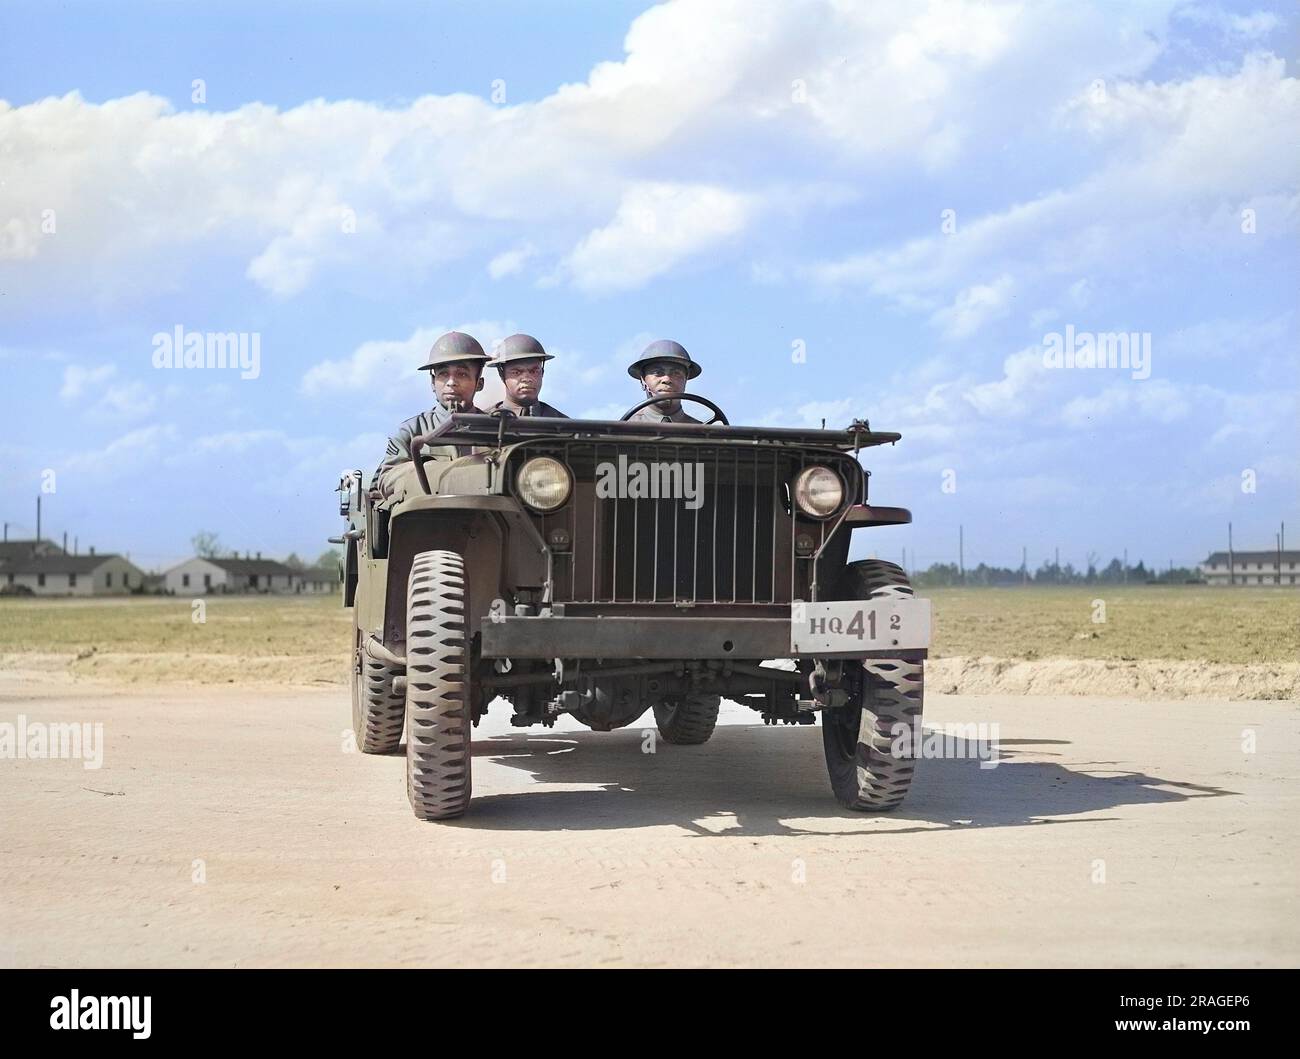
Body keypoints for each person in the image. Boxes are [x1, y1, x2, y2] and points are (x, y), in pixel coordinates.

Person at [374, 331, 490, 500]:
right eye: (443, 374)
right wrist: (431, 471)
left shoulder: (496, 430)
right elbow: (387, 480)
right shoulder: (412, 430)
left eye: (462, 374)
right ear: (432, 383)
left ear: (479, 383)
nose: (451, 382)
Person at [487, 334, 567, 418]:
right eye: (517, 372)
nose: (527, 379)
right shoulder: (484, 422)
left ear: (542, 373)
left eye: (534, 371)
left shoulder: (564, 425)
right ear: (502, 375)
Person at [626, 339, 706, 423]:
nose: (667, 379)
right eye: (657, 372)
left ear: (686, 379)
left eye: (676, 373)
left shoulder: (705, 433)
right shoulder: (624, 431)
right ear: (643, 380)